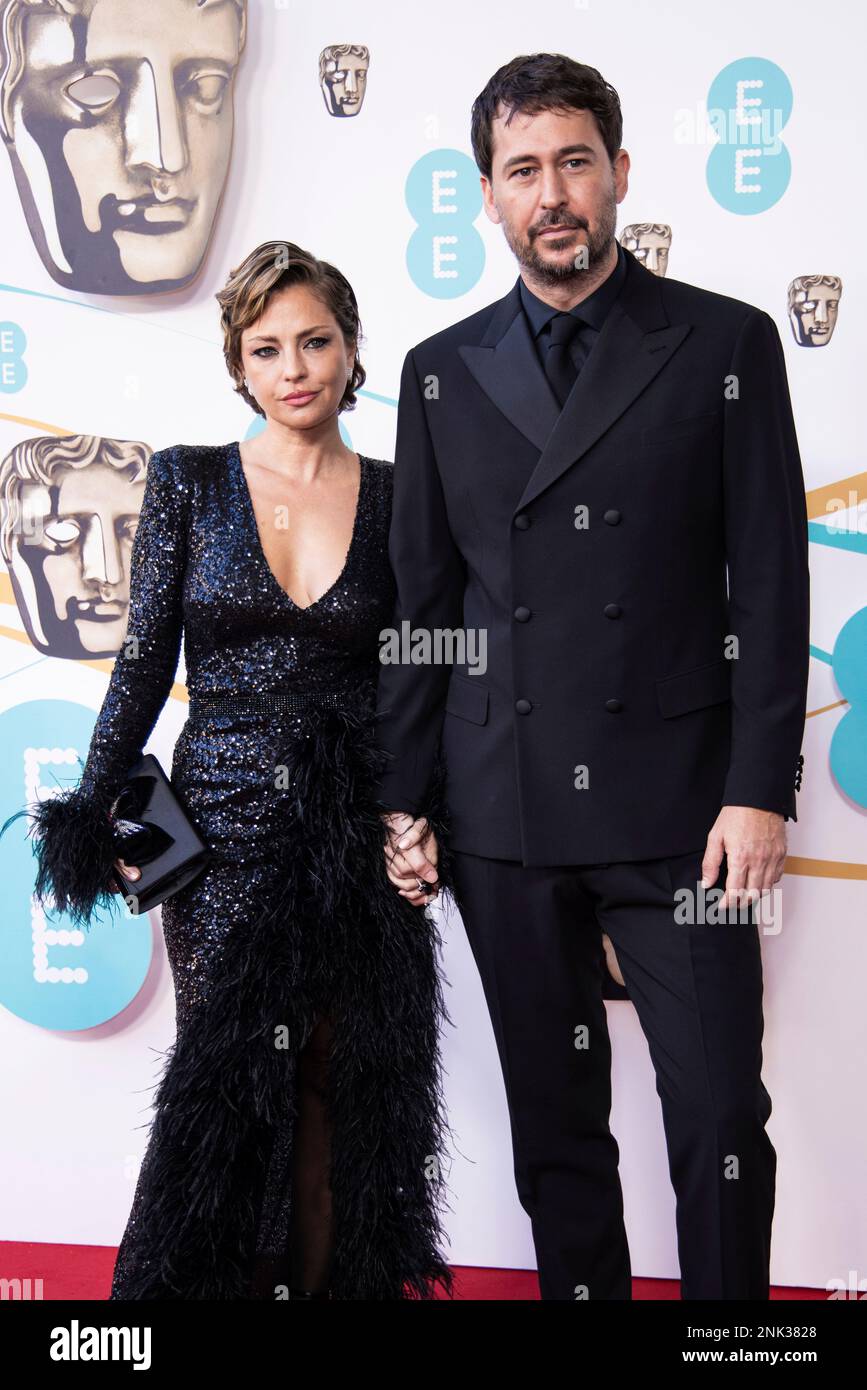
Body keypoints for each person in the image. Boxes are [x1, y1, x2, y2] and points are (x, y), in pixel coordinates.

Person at [374, 53, 810, 1300]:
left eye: (575, 162)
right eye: (524, 170)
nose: (552, 192)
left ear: (620, 174)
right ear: (488, 196)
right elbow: (427, 606)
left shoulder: (725, 341)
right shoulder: (441, 370)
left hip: (691, 815)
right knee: (557, 1138)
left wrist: (761, 790)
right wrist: (406, 794)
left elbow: (770, 585)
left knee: (724, 1116)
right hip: (503, 809)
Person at [9, 240, 454, 1301]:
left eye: (315, 340)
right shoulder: (188, 479)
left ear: (352, 352)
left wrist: (415, 814)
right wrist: (93, 812)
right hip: (209, 839)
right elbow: (141, 656)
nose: (294, 366)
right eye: (268, 347)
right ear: (238, 364)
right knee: (225, 1097)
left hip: (354, 836)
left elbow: (422, 675)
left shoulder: (403, 496)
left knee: (333, 1101)